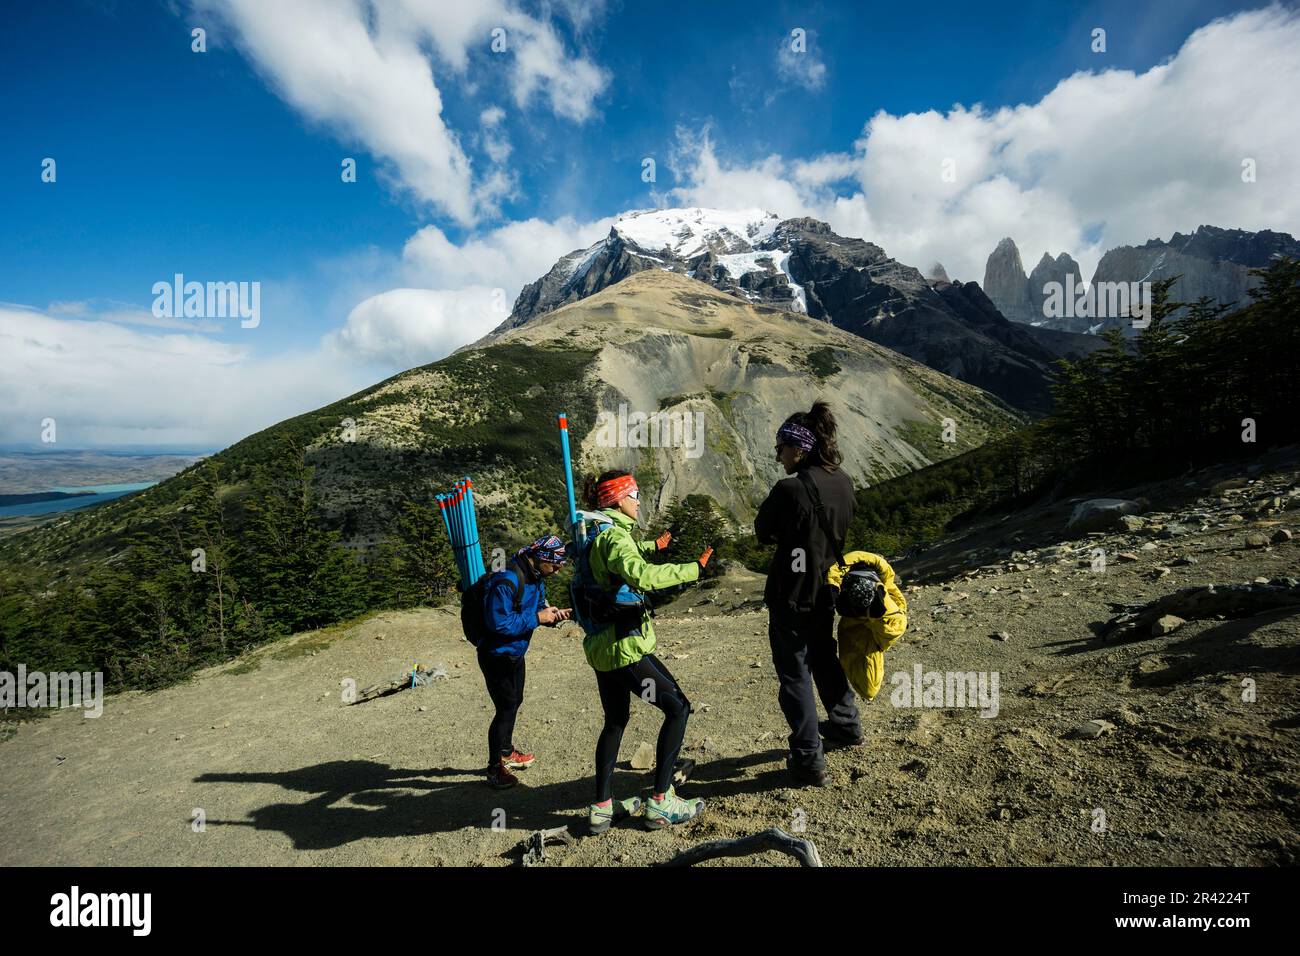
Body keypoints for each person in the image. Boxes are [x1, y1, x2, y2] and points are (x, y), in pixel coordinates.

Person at [578, 470, 714, 833]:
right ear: (618, 499)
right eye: (635, 494)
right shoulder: (615, 539)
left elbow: (628, 555)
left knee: (615, 721)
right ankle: (660, 802)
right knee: (678, 708)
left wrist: (655, 546)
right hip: (626, 647)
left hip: (602, 647)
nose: (639, 501)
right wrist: (693, 569)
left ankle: (602, 808)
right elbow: (641, 575)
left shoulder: (601, 534)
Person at [754, 401, 860, 787]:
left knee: (794, 674)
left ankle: (807, 758)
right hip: (827, 589)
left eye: (781, 446)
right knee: (824, 656)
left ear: (799, 448)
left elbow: (763, 531)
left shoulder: (789, 488)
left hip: (791, 592)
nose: (777, 454)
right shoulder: (844, 481)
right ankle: (846, 724)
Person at [478, 534, 572, 789]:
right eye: (554, 564)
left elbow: (538, 607)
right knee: (505, 708)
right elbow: (498, 623)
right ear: (541, 558)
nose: (558, 569)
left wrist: (552, 615)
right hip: (496, 654)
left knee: (515, 701)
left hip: (515, 652)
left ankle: (506, 752)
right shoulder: (507, 579)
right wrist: (537, 619)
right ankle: (494, 768)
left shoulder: (537, 576)